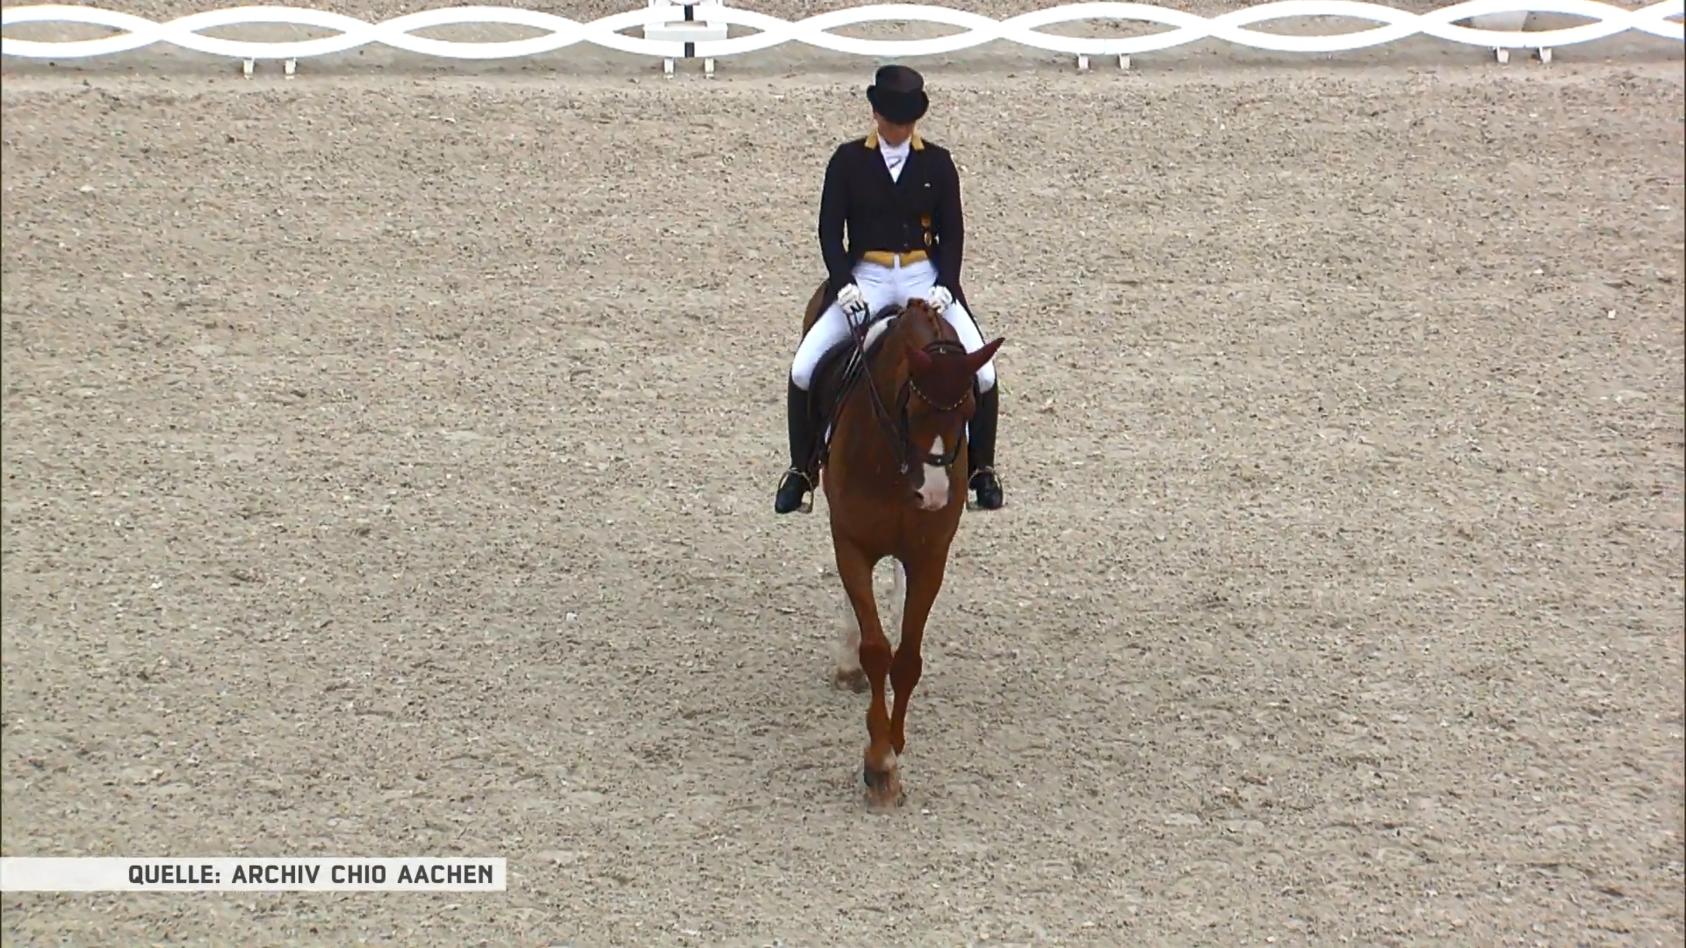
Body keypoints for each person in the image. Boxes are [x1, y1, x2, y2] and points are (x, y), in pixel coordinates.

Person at [774, 63, 1004, 515]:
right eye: (893, 122)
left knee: (984, 372)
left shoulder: (936, 162)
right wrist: (842, 284)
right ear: (876, 116)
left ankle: (982, 470)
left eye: (907, 123)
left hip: (923, 275)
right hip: (869, 277)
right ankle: (801, 471)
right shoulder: (848, 161)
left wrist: (946, 285)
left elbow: (953, 233)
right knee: (804, 366)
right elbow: (828, 232)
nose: (900, 131)